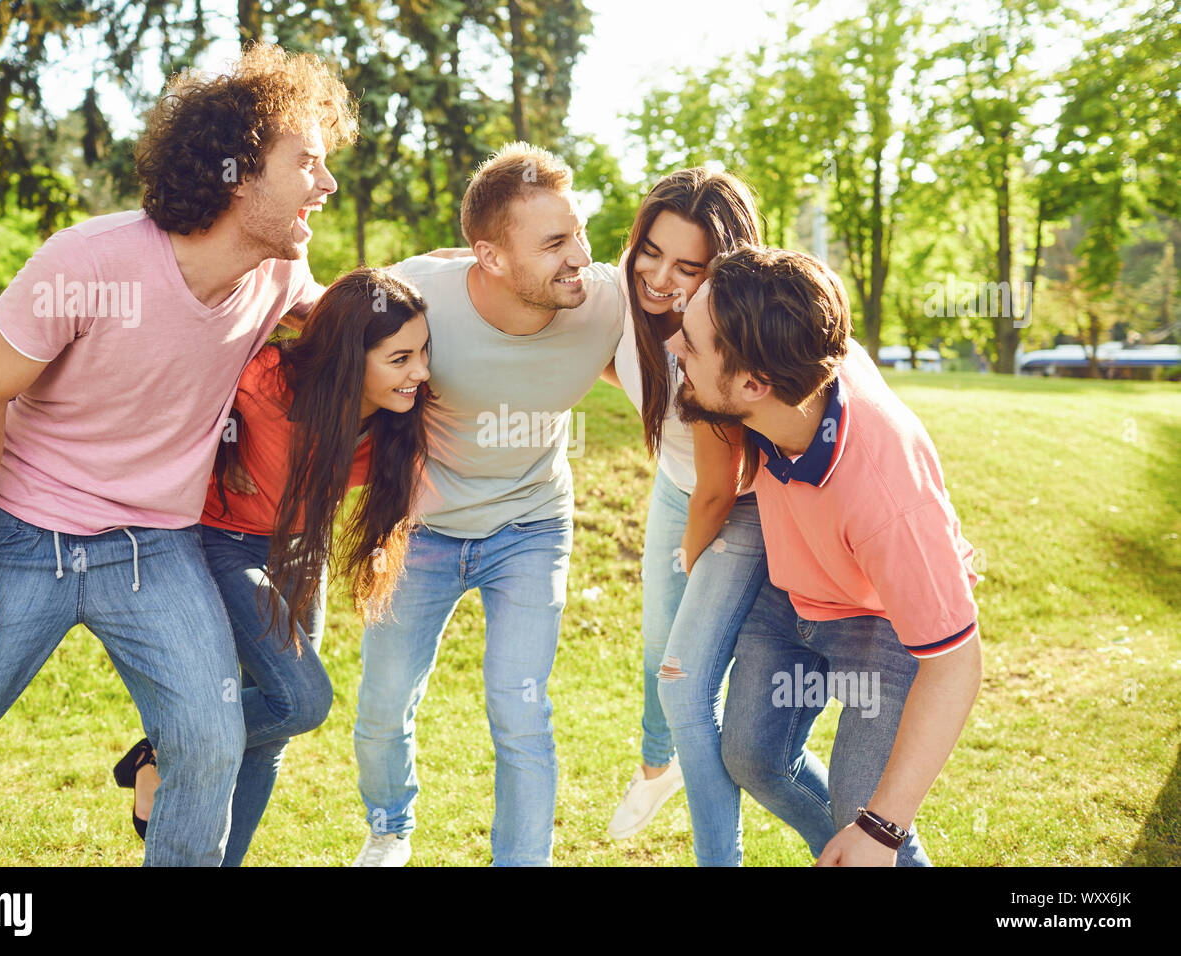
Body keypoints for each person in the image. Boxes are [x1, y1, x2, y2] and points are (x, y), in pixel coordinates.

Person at [0, 42, 354, 866]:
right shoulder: (90, 262)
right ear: (238, 171)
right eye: (307, 162)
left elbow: (352, 320)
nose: (328, 182)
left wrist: (449, 286)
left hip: (154, 552)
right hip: (19, 539)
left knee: (208, 743)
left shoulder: (279, 273)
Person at [350, 142, 626, 867]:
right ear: (491, 257)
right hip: (423, 529)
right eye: (555, 243)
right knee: (383, 704)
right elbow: (322, 338)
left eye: (580, 233)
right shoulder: (415, 292)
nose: (580, 257)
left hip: (531, 525)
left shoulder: (606, 305)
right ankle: (389, 826)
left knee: (521, 708)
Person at [669, 244, 983, 866]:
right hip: (791, 600)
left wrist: (884, 830)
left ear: (754, 385)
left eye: (692, 344)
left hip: (882, 624)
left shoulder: (888, 495)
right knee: (754, 757)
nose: (675, 347)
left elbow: (956, 665)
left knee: (867, 817)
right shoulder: (790, 350)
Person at [116, 268, 431, 865]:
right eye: (400, 358)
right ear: (347, 358)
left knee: (271, 739)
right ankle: (164, 750)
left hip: (299, 551)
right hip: (224, 544)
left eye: (422, 353)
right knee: (300, 701)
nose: (420, 370)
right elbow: (200, 346)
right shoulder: (265, 383)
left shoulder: (397, 415)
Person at [597, 169, 770, 866]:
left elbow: (719, 488)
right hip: (679, 487)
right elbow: (627, 369)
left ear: (718, 270)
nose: (659, 276)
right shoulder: (626, 302)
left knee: (687, 682)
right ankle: (654, 767)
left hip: (739, 504)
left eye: (687, 266)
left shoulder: (720, 333)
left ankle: (716, 854)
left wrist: (696, 556)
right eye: (651, 251)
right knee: (655, 651)